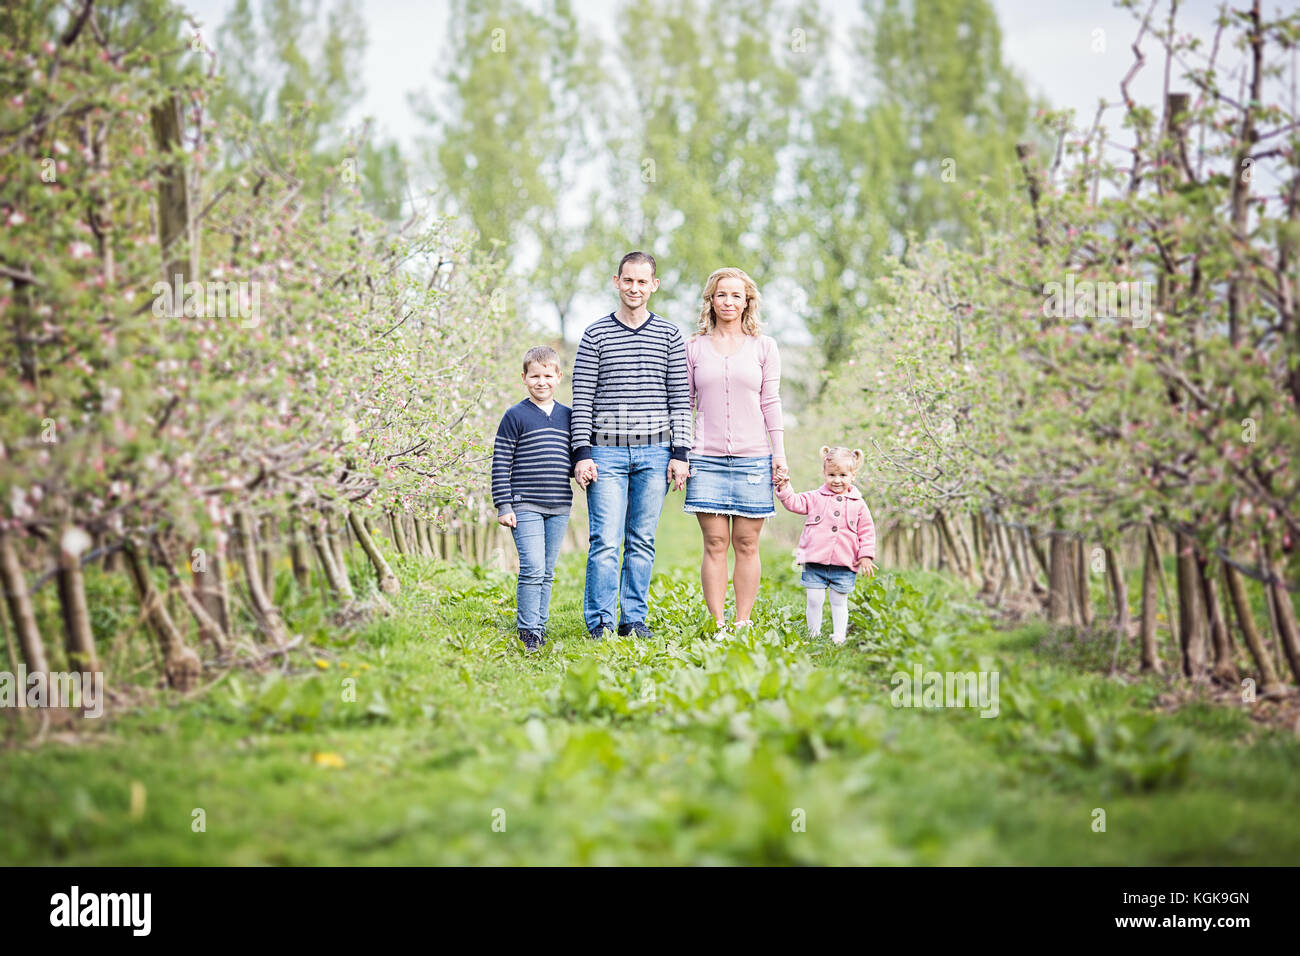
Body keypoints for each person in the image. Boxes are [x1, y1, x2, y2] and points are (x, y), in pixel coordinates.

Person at [570, 252, 692, 640]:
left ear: (654, 285)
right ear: (616, 282)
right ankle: (600, 622)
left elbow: (679, 398)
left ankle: (633, 619)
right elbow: (582, 397)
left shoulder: (670, 336)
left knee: (642, 540)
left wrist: (680, 453)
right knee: (605, 540)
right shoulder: (595, 335)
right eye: (628, 281)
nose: (634, 288)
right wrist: (581, 453)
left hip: (655, 452)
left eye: (643, 282)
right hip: (604, 451)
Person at [684, 267, 787, 635]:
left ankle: (742, 621)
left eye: (736, 296)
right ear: (711, 299)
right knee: (714, 543)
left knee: (746, 543)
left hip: (754, 458)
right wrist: (681, 455)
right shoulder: (693, 347)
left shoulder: (764, 347)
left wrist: (779, 455)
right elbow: (685, 403)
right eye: (721, 294)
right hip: (705, 457)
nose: (728, 301)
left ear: (747, 302)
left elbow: (771, 402)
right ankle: (718, 622)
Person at [492, 346, 574, 652]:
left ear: (558, 377)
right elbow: (501, 461)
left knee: (548, 570)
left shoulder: (568, 416)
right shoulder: (515, 416)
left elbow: (577, 454)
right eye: (535, 376)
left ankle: (539, 623)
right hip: (524, 503)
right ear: (524, 378)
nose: (542, 382)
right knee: (532, 567)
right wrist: (504, 504)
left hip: (559, 504)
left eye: (548, 375)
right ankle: (528, 629)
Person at [774, 445, 877, 644]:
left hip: (845, 563)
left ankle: (839, 635)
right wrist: (785, 488)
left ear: (853, 476)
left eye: (843, 475)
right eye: (831, 475)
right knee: (814, 600)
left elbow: (867, 531)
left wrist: (865, 555)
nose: (837, 480)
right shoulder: (815, 498)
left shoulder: (858, 504)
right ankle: (814, 633)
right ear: (824, 473)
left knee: (839, 602)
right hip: (815, 561)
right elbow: (794, 503)